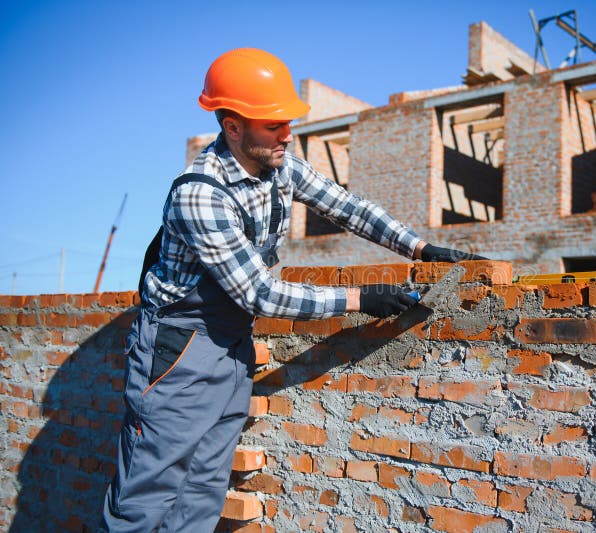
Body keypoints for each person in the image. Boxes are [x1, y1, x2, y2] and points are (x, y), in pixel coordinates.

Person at [102, 47, 484, 532]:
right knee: (146, 498)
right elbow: (260, 295)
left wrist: (421, 249)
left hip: (231, 347)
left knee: (201, 493)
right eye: (272, 124)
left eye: (287, 121)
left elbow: (349, 208)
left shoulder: (279, 165)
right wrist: (362, 299)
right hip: (179, 352)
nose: (287, 134)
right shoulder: (200, 192)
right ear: (233, 126)